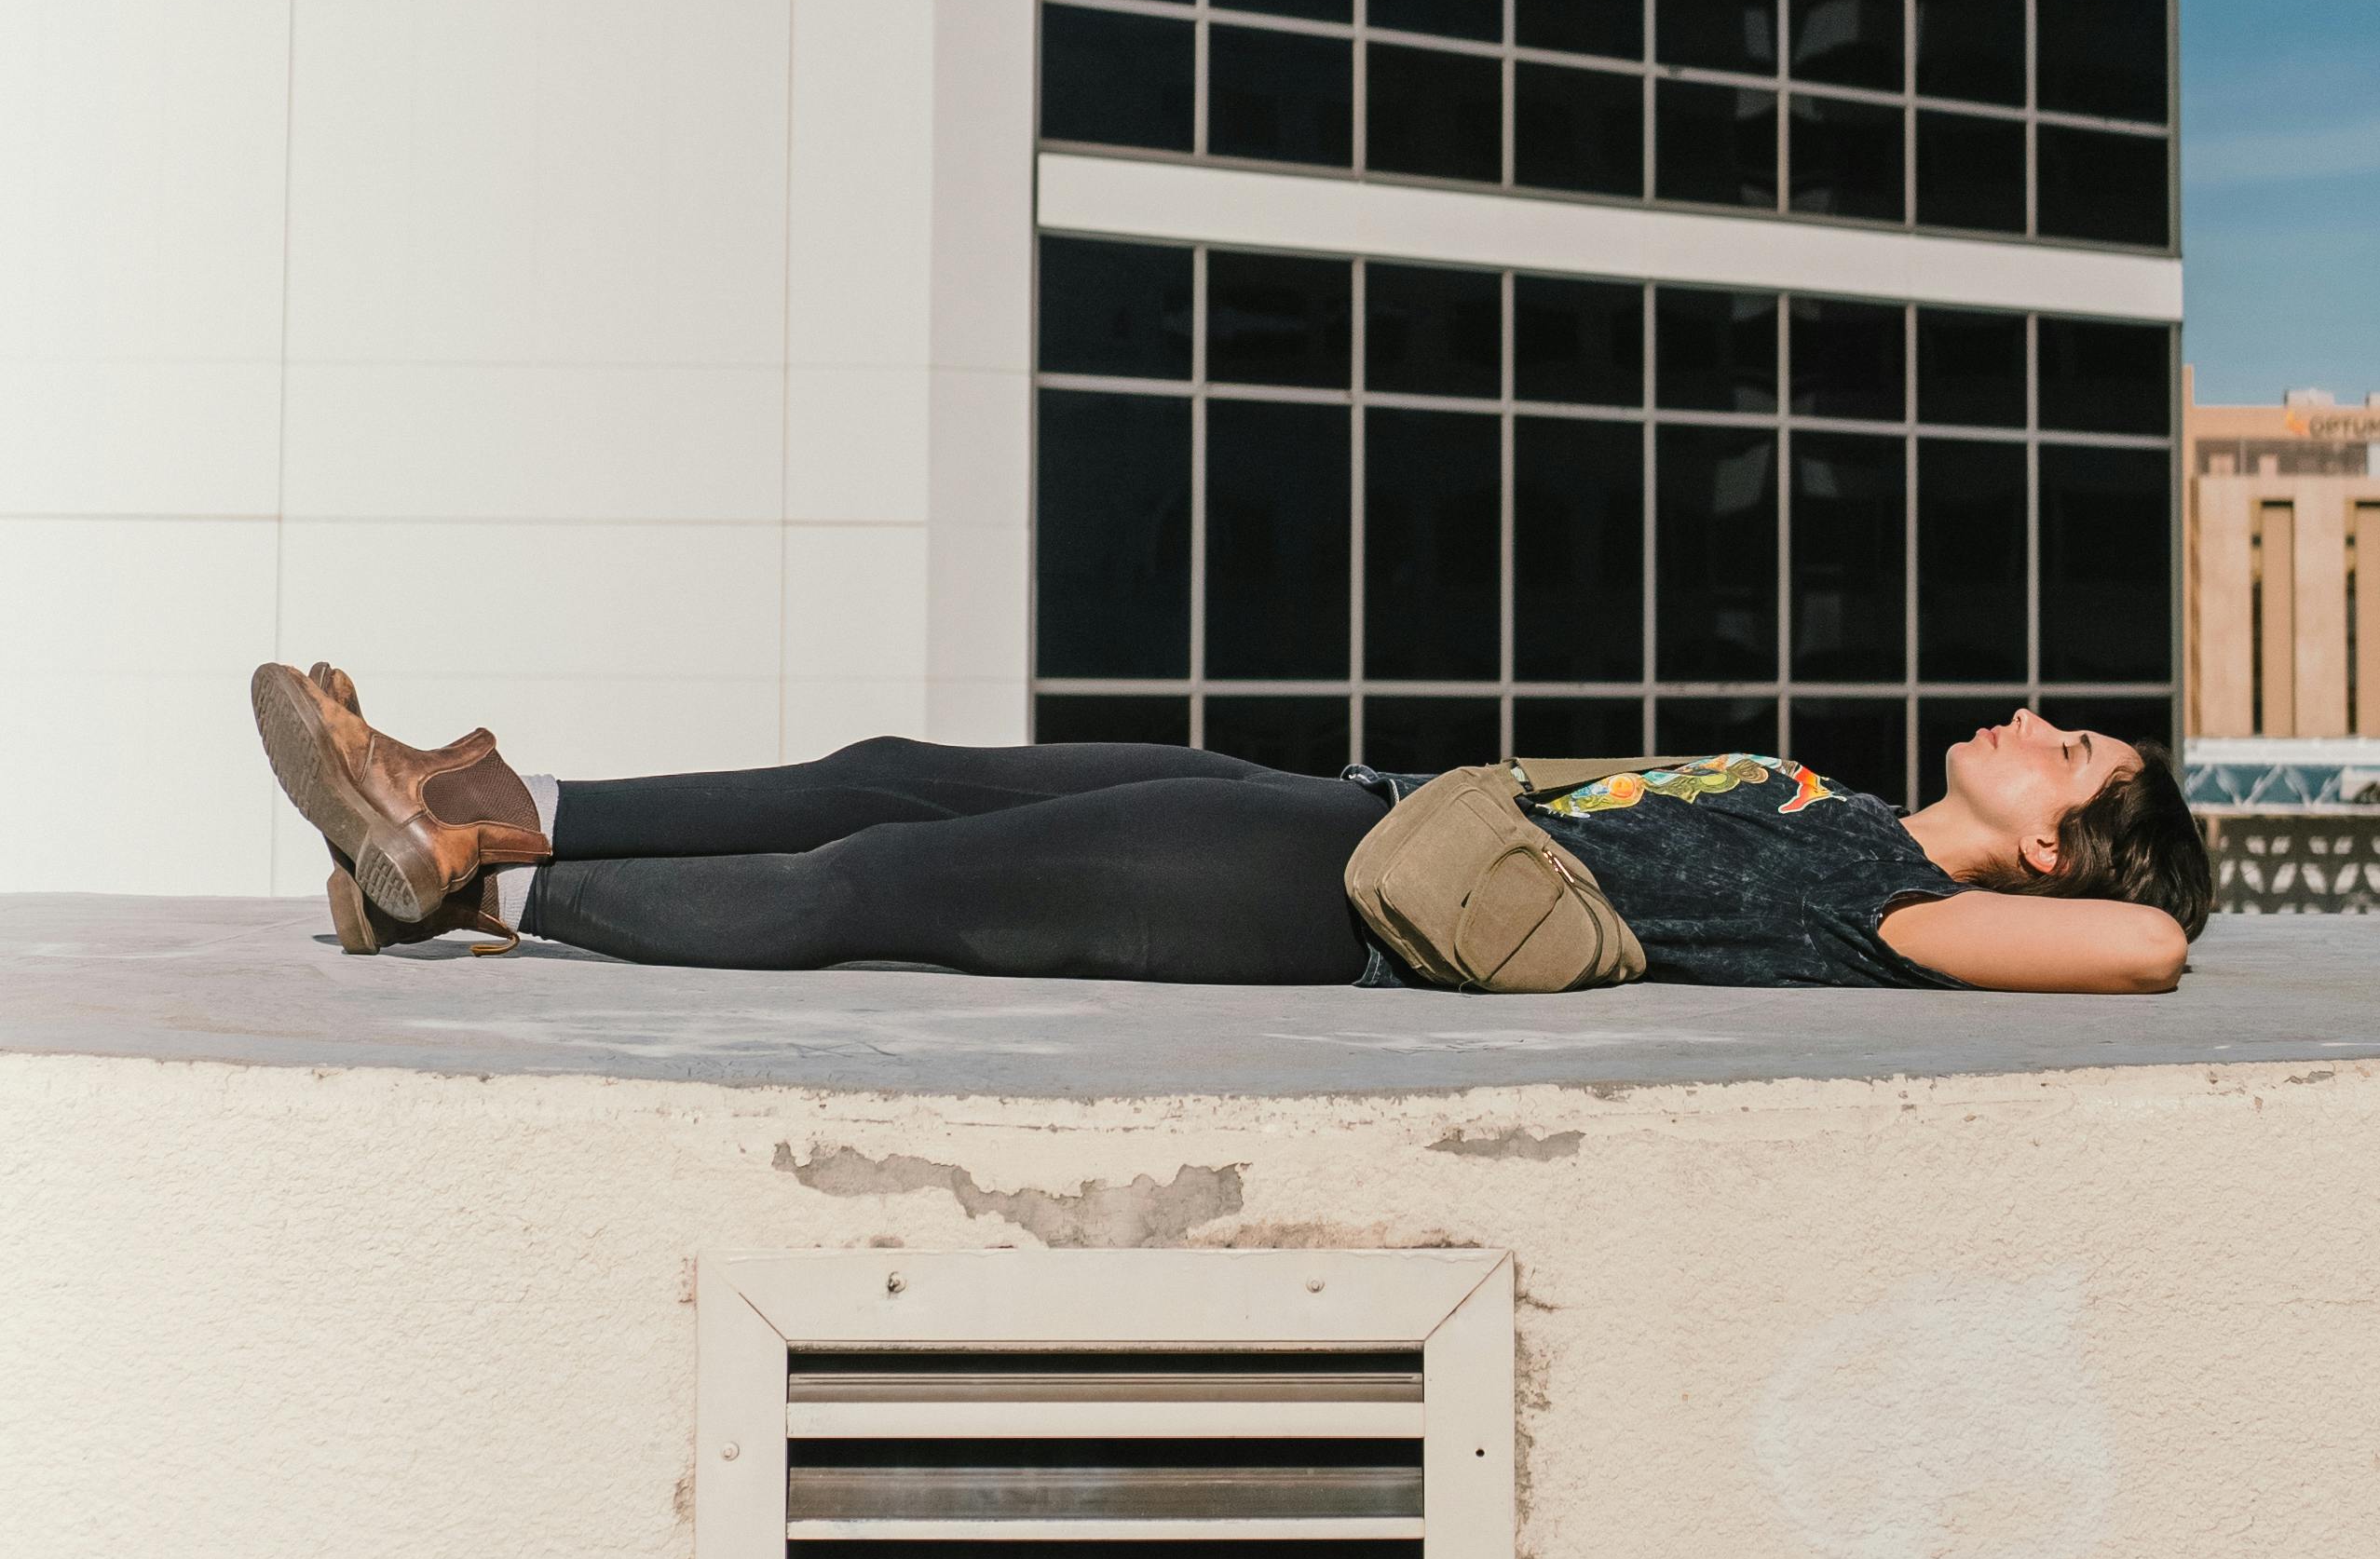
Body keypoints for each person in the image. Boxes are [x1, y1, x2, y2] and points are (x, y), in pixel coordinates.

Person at [251, 670, 2209, 995]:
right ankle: (469, 805)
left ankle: (475, 890)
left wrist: (2143, 902)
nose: (2033, 722)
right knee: (897, 768)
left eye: (2071, 755)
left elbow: (2146, 945)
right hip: (1341, 811)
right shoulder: (1838, 805)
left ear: (2054, 851)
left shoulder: (1894, 906)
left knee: (891, 885)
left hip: (1325, 904)